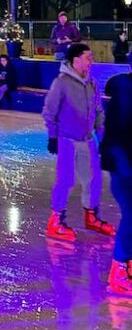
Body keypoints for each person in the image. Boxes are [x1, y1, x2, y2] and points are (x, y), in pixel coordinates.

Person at [43, 43, 115, 241]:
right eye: (88, 57)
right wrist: (52, 136)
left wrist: (103, 139)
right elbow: (49, 111)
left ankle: (91, 216)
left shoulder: (91, 83)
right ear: (76, 60)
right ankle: (55, 221)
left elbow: (98, 111)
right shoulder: (62, 82)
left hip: (86, 139)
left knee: (93, 179)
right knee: (65, 180)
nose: (91, 61)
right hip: (66, 139)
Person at [102, 69, 132, 294]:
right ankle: (119, 273)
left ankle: (125, 265)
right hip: (124, 167)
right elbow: (118, 134)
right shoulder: (124, 90)